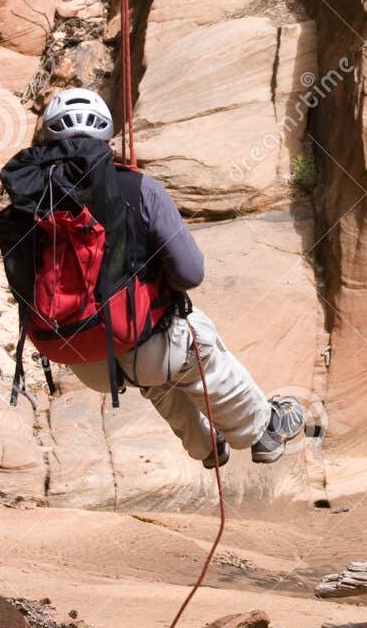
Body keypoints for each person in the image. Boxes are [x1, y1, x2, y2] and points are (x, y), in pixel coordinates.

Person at [35, 88, 304, 468]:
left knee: (153, 367)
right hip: (141, 349)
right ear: (108, 139)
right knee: (196, 341)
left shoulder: (30, 202)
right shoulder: (139, 188)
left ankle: (207, 447)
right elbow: (190, 273)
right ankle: (265, 429)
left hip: (83, 360)